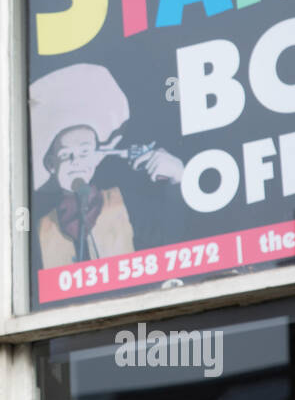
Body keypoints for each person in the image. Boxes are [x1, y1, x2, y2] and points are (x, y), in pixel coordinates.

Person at [29, 63, 183, 268]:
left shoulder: (126, 204)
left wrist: (177, 178)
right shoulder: (39, 230)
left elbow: (175, 242)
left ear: (96, 157)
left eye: (84, 152)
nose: (76, 161)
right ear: (51, 164)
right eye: (66, 154)